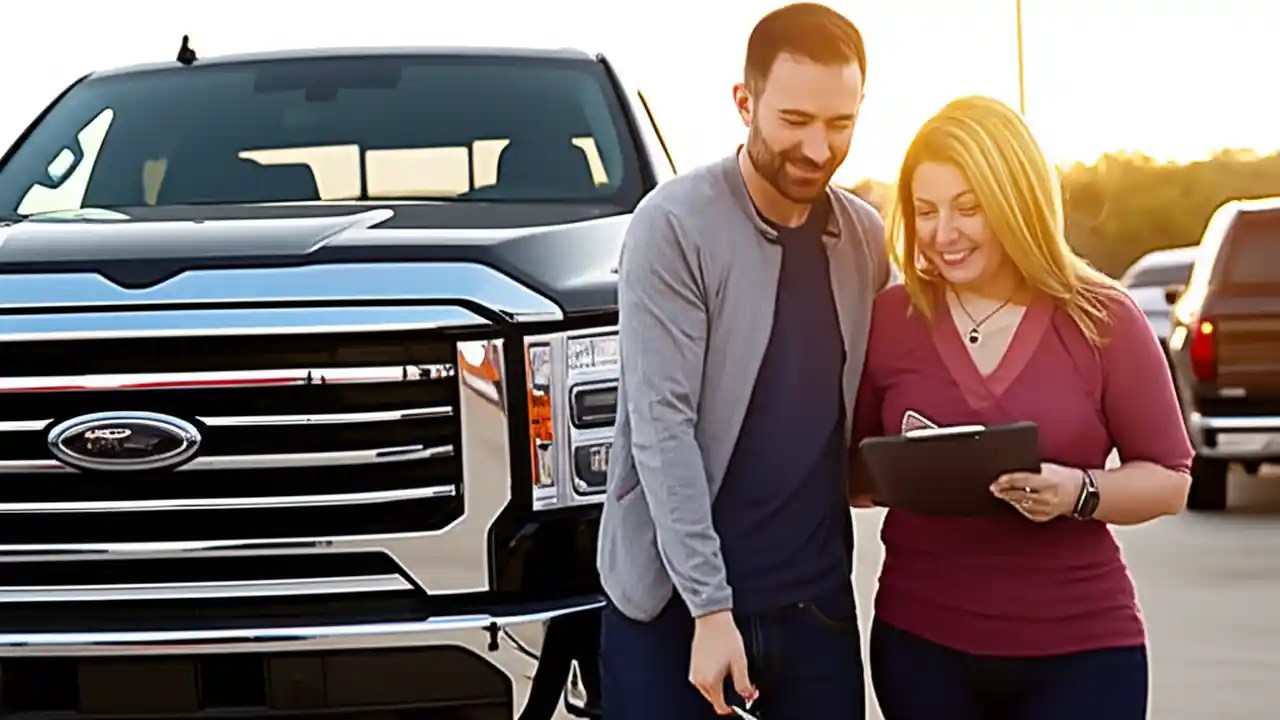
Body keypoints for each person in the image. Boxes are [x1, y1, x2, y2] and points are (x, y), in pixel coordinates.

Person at [848, 95, 1193, 719]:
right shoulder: (890, 323)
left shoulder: (1105, 320)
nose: (943, 233)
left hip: (1083, 652)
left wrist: (1078, 492)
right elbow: (853, 474)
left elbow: (1170, 479)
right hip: (922, 648)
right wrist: (903, 472)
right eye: (926, 211)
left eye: (968, 208)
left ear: (1017, 201)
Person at [595, 3, 892, 718]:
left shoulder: (864, 238)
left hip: (815, 608)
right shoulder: (673, 226)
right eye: (794, 121)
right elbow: (663, 429)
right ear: (744, 102)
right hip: (676, 614)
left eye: (839, 124)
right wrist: (709, 609)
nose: (818, 149)